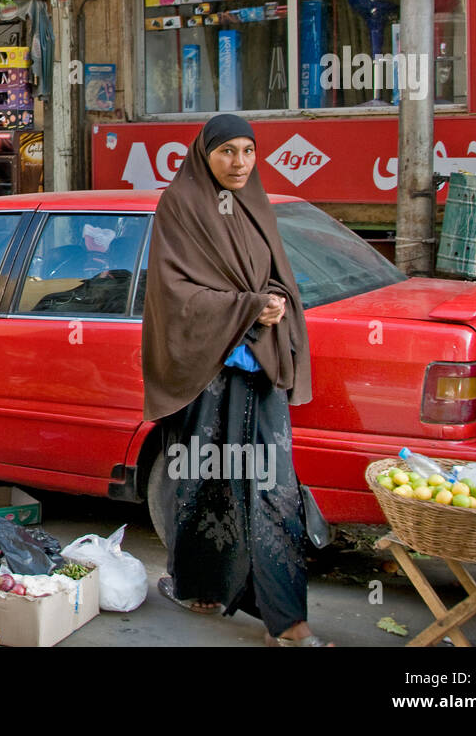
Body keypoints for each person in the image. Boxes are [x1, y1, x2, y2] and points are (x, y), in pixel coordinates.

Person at [141, 114, 325, 647]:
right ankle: (199, 586)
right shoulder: (180, 206)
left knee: (274, 489)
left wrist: (273, 304)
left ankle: (288, 621)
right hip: (207, 372)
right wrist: (248, 307)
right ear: (205, 155)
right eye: (228, 152)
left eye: (248, 151)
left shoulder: (255, 203)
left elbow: (275, 276)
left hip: (259, 370)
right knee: (204, 484)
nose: (240, 162)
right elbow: (176, 295)